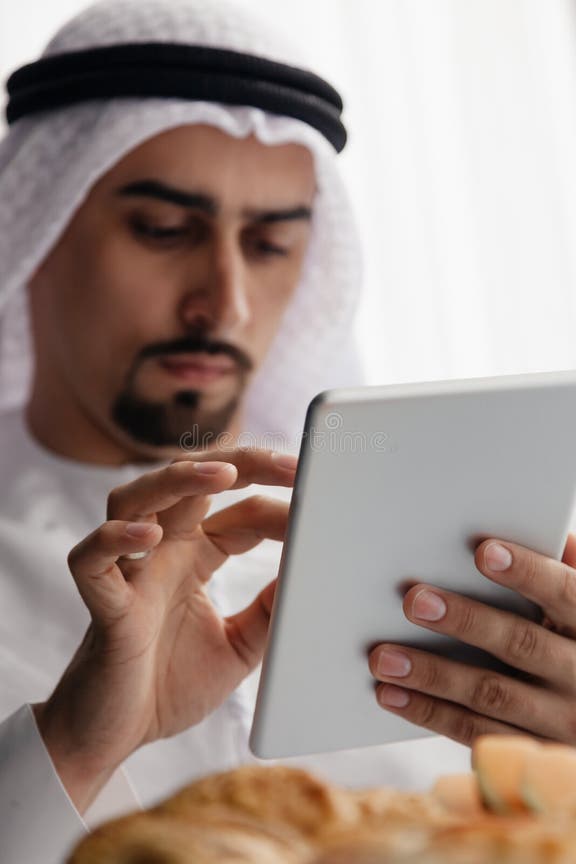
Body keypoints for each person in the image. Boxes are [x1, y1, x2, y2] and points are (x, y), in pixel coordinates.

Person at [2, 1, 576, 863]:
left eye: (271, 244)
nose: (225, 303)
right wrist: (73, 748)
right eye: (163, 231)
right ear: (32, 232)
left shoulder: (459, 574)